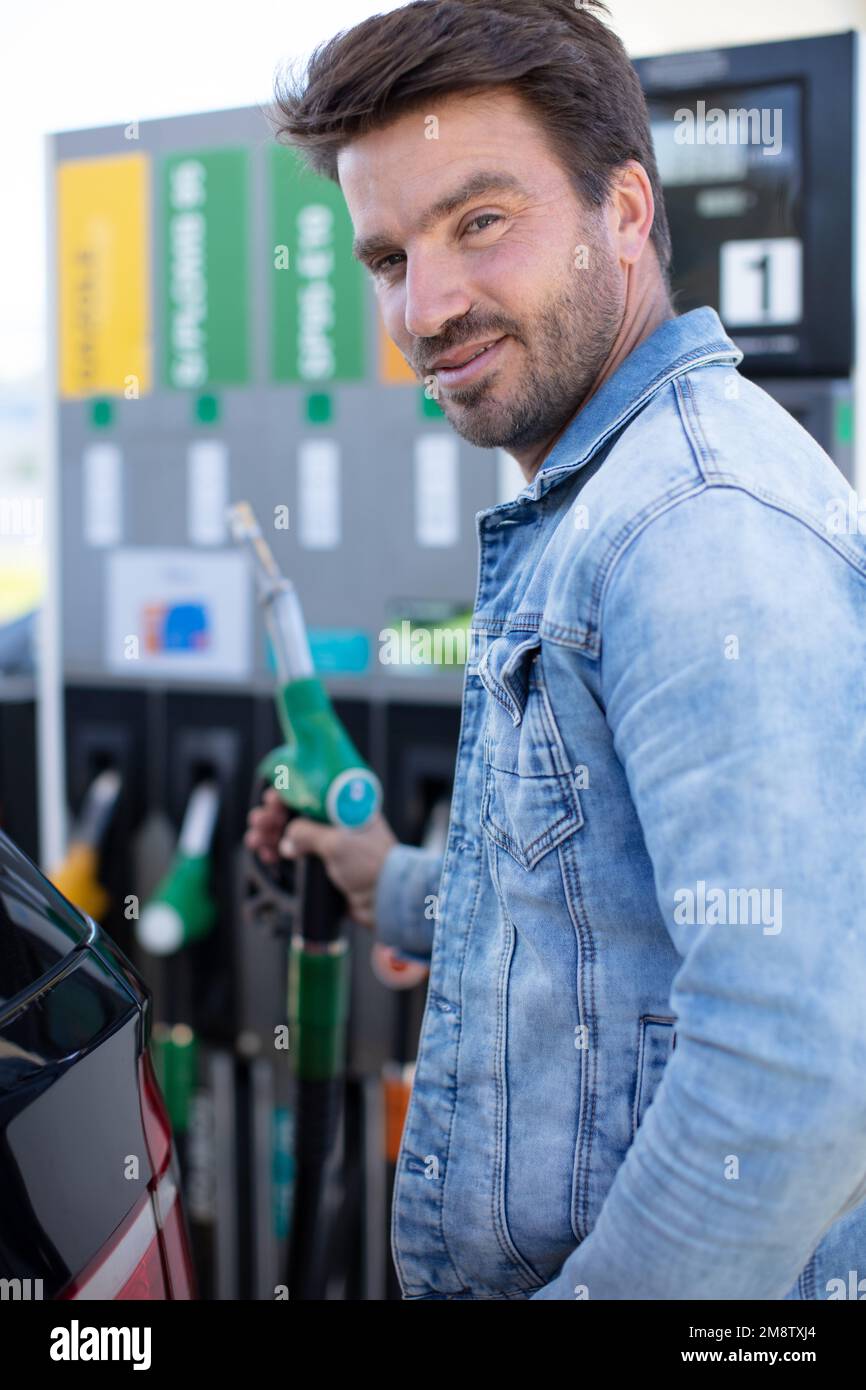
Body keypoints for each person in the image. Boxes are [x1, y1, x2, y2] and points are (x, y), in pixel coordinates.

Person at [247, 0, 866, 1299]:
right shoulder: (599, 501)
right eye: (386, 255)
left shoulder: (689, 525)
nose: (426, 305)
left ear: (625, 213)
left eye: (480, 221)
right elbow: (605, 913)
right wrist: (387, 878)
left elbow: (795, 1067)